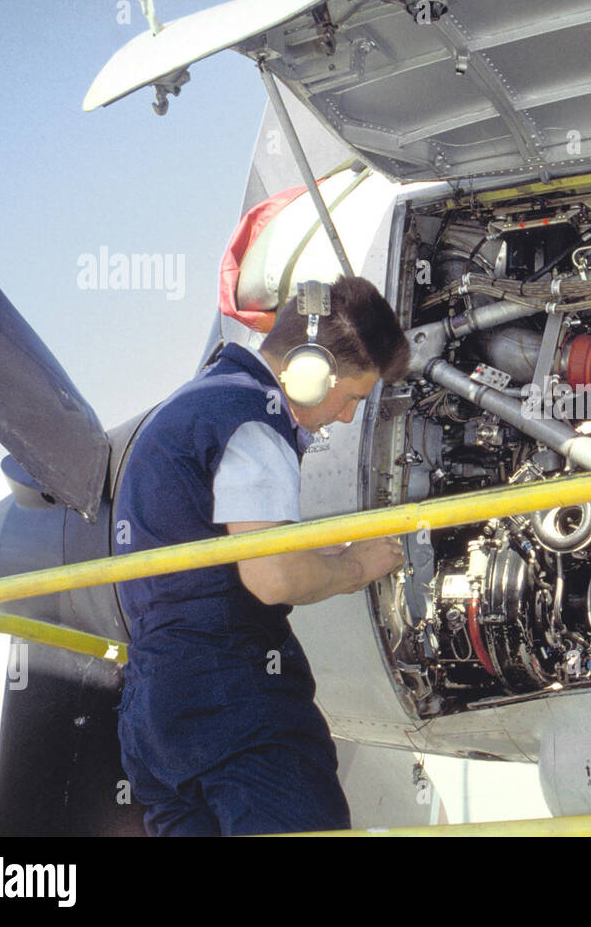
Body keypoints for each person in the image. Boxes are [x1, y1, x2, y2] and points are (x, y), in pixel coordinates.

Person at [114, 275, 410, 836]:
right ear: (309, 370)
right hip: (233, 702)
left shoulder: (190, 404)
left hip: (154, 713)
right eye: (350, 397)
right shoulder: (252, 420)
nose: (348, 417)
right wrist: (355, 567)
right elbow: (272, 577)